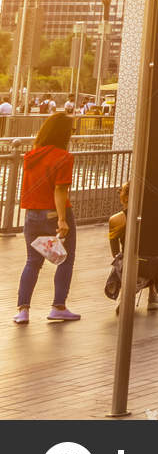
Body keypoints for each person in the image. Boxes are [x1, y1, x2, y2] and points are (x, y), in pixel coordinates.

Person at [14, 114, 78, 323]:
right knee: (65, 259)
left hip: (32, 215)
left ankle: (23, 311)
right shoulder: (64, 157)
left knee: (32, 261)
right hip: (54, 214)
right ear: (64, 133)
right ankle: (58, 306)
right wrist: (61, 219)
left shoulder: (31, 156)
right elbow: (59, 190)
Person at [107, 183, 158, 313]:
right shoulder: (152, 215)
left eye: (121, 190)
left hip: (130, 264)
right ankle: (153, 296)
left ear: (127, 197)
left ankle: (126, 296)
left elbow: (115, 252)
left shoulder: (116, 219)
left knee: (121, 259)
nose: (118, 191)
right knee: (155, 254)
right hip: (152, 265)